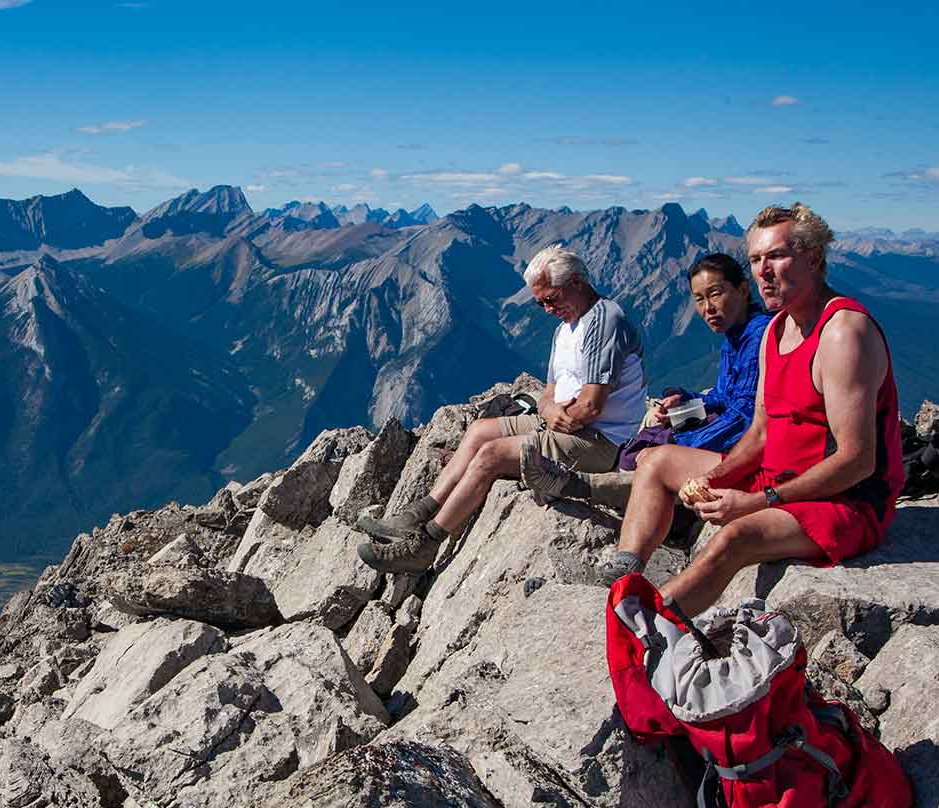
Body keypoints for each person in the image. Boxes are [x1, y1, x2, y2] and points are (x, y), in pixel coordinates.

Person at [599, 203, 905, 617]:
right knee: (655, 461)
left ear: (814, 258)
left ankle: (642, 625)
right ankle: (625, 570)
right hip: (776, 479)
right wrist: (715, 475)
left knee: (733, 538)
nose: (763, 270)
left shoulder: (843, 334)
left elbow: (857, 461)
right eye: (756, 259)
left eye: (776, 256)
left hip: (839, 502)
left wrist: (757, 502)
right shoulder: (775, 331)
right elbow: (760, 432)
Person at [357, 245, 646, 573]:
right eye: (540, 303)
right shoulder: (565, 328)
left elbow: (591, 406)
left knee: (491, 455)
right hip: (561, 426)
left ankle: (424, 546)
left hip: (599, 441)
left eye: (551, 298)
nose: (547, 309)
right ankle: (417, 514)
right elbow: (549, 394)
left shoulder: (605, 321)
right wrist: (550, 412)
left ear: (578, 282)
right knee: (481, 430)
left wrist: (553, 416)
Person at [526, 252, 772, 511]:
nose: (707, 308)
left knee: (654, 456)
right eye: (699, 299)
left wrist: (684, 441)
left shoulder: (758, 337)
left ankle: (581, 487)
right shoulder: (735, 336)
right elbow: (724, 396)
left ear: (743, 289)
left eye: (715, 294)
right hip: (737, 429)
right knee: (650, 436)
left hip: (748, 442)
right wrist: (686, 402)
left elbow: (745, 413)